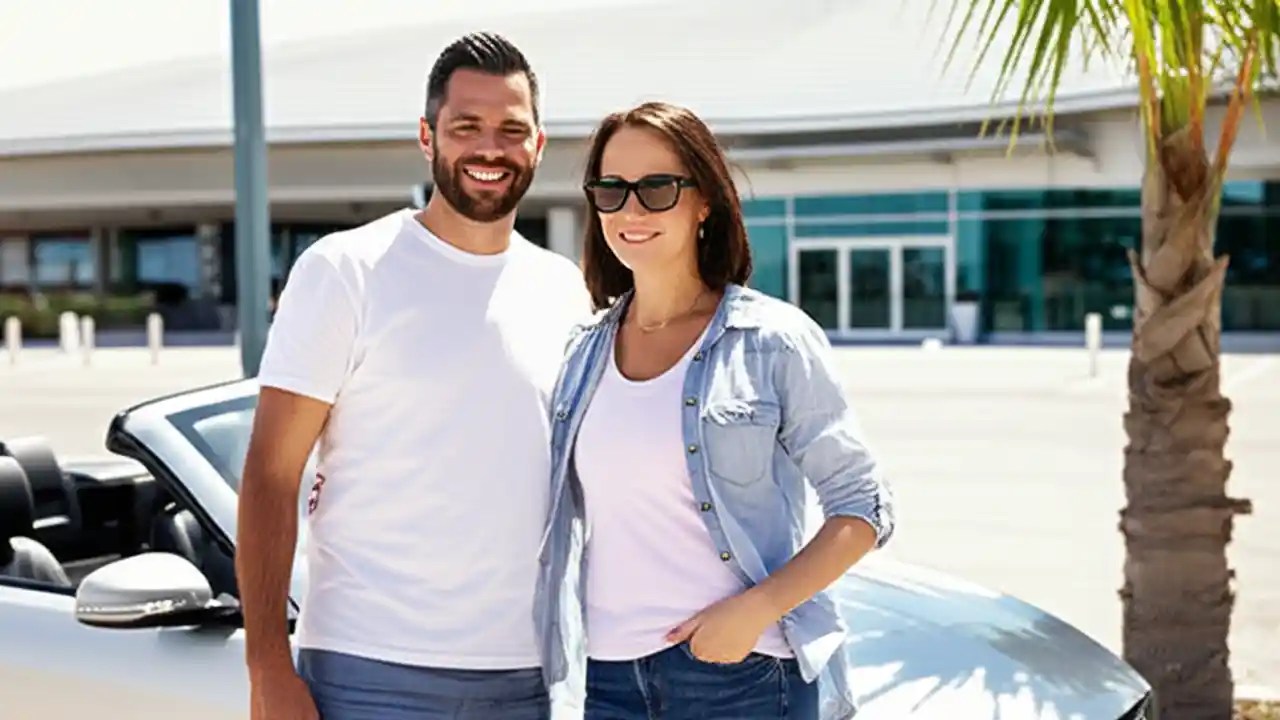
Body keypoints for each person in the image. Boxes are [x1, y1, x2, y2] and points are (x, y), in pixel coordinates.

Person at [235, 32, 591, 720]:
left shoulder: (562, 289)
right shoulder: (345, 271)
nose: (491, 148)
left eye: (511, 130)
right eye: (467, 127)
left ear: (539, 146)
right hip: (368, 673)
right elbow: (272, 475)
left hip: (527, 678)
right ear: (428, 138)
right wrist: (267, 668)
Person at [533, 101, 896, 720]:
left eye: (657, 188)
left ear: (705, 201)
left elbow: (862, 506)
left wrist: (754, 612)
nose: (632, 210)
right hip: (610, 680)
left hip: (742, 675)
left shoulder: (772, 339)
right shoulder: (581, 354)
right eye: (612, 190)